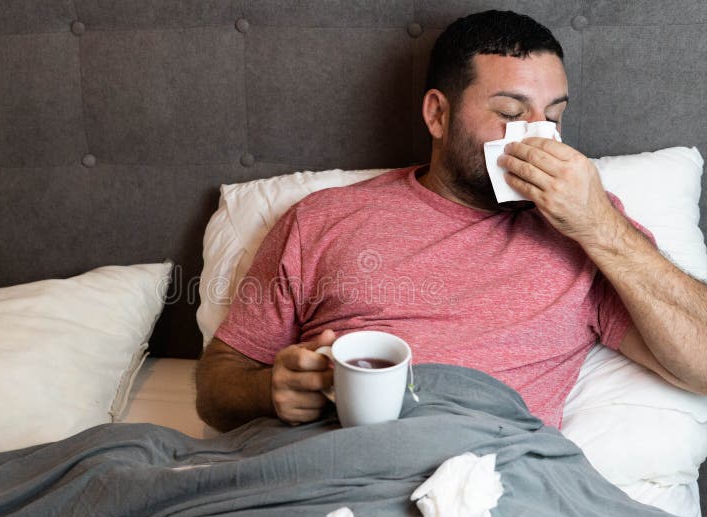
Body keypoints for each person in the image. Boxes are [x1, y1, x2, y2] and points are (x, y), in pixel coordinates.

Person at [195, 10, 707, 433]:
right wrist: (270, 390)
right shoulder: (321, 220)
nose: (537, 137)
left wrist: (599, 226)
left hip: (491, 476)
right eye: (510, 111)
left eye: (552, 116)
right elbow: (216, 387)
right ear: (438, 115)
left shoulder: (591, 229)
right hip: (338, 464)